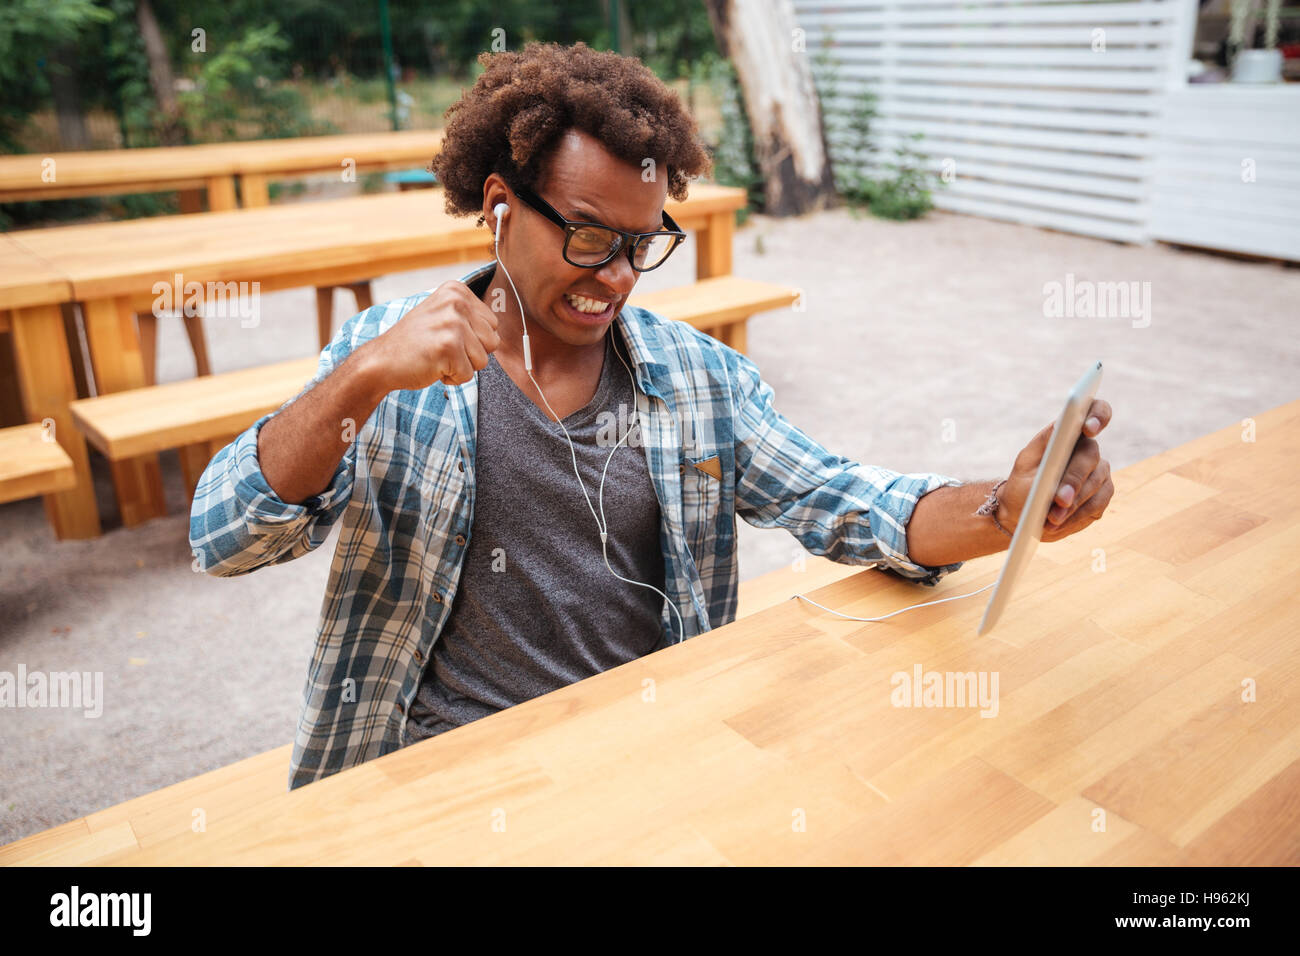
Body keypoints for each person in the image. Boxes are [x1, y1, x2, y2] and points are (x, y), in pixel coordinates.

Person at [190, 42, 1114, 791]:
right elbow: (222, 537)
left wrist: (1008, 506)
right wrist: (357, 381)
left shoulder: (697, 378)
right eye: (590, 237)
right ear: (501, 207)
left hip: (651, 759)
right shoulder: (390, 358)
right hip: (442, 772)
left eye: (644, 245)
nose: (618, 278)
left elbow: (844, 500)